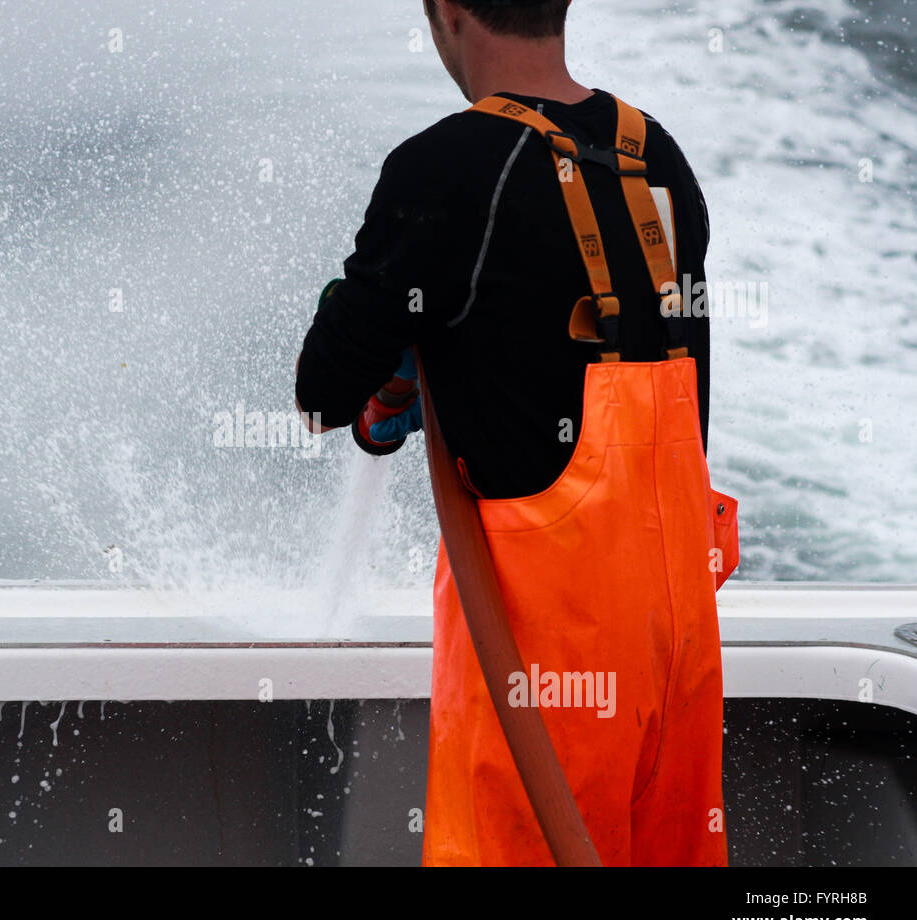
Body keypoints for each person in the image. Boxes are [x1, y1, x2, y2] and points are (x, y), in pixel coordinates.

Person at [293, 0, 738, 865]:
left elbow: (322, 393)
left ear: (446, 10)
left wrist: (394, 356)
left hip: (548, 655)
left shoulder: (445, 168)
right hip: (678, 637)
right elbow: (672, 388)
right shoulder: (659, 158)